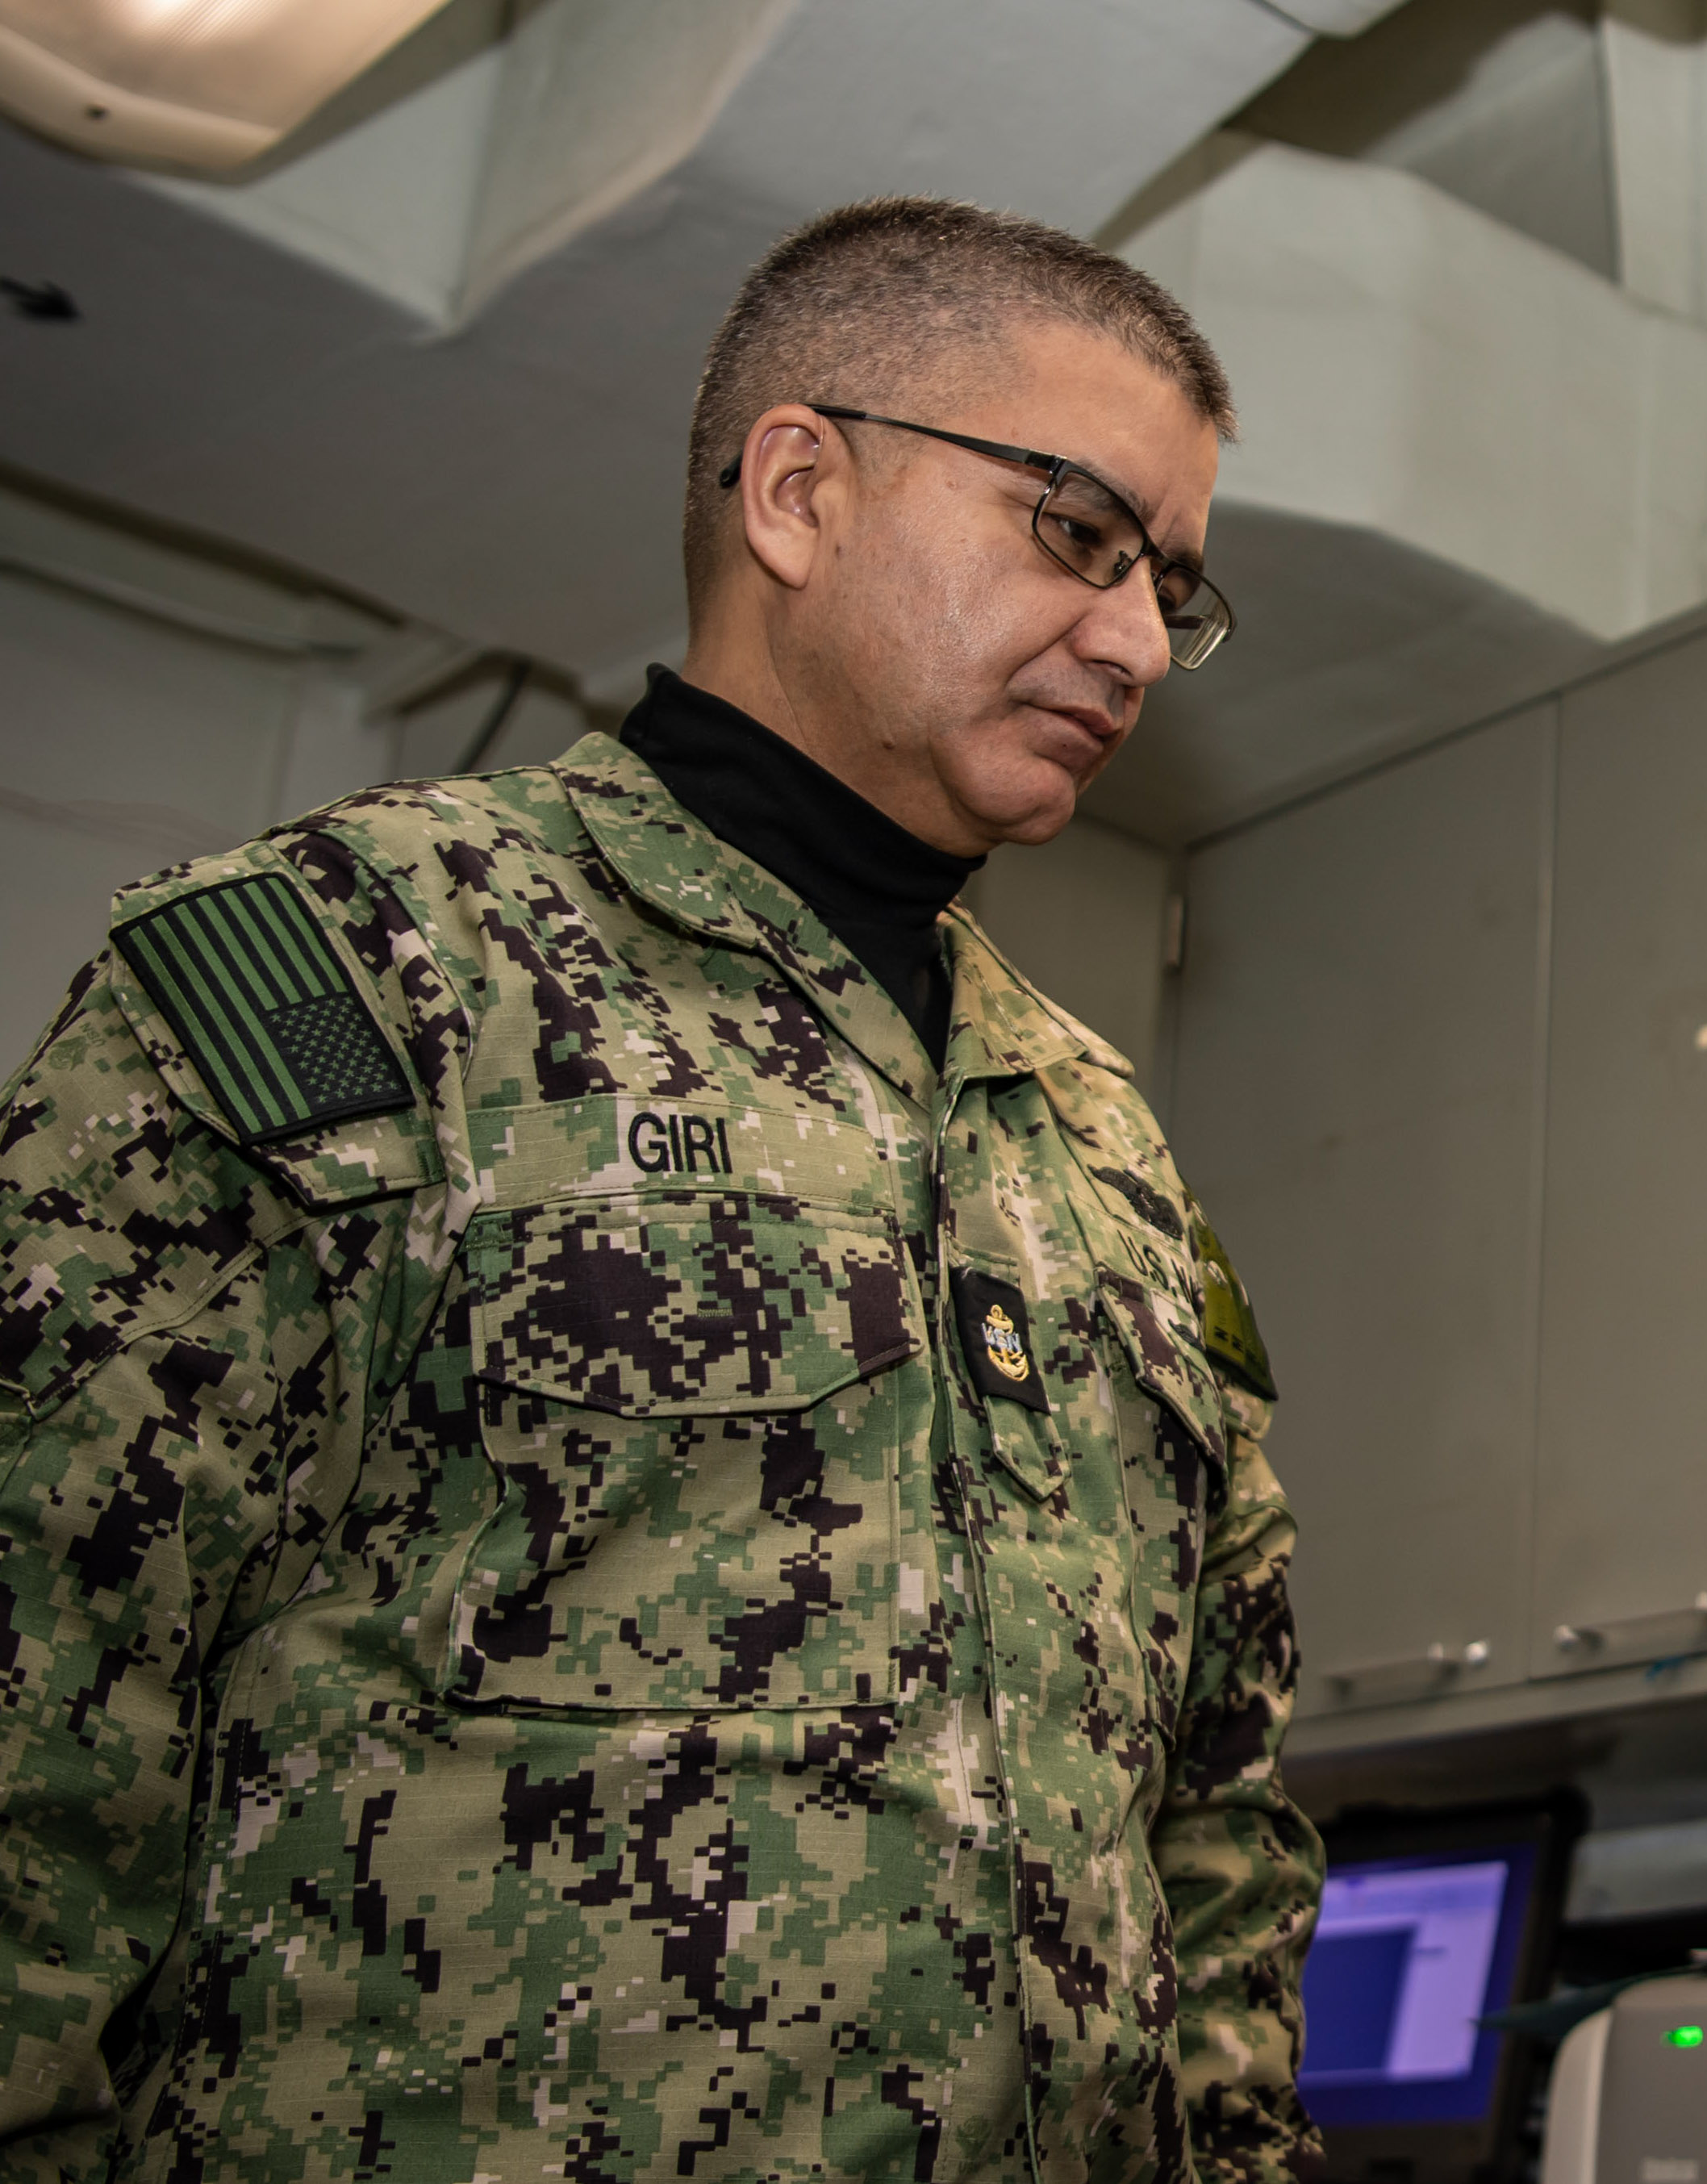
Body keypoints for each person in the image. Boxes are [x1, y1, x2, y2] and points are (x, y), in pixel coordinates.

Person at [0, 198, 1318, 2182]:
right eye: (1080, 531)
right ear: (799, 489)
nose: (1137, 638)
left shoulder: (1099, 1142)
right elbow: (41, 1701)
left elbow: (1215, 1805)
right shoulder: (360, 969)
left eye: (1175, 588)